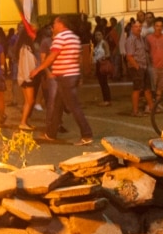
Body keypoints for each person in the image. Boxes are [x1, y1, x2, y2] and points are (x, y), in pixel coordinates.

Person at [30, 14, 93, 146]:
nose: (53, 27)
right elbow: (78, 59)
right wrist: (79, 76)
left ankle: (86, 134)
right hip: (70, 75)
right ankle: (51, 133)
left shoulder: (60, 38)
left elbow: (52, 56)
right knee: (58, 105)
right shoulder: (75, 38)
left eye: (54, 24)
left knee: (74, 106)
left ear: (60, 24)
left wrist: (38, 69)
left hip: (65, 76)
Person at [121, 20, 151, 117]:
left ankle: (152, 108)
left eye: (140, 26)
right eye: (136, 27)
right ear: (132, 28)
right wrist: (137, 67)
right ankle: (135, 111)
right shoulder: (131, 40)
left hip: (143, 66)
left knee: (147, 88)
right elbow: (129, 56)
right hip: (136, 67)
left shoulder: (141, 38)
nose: (138, 28)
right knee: (137, 89)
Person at [145, 17, 163, 105]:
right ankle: (150, 104)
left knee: (161, 87)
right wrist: (149, 64)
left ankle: (157, 104)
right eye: (157, 26)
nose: (159, 28)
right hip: (153, 66)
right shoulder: (148, 38)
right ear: (154, 27)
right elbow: (146, 51)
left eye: (161, 26)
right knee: (152, 86)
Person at [16, 34, 41, 129]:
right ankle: (23, 122)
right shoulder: (27, 50)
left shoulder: (23, 49)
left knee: (27, 101)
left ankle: (24, 121)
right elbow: (28, 65)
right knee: (30, 101)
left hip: (24, 77)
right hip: (28, 78)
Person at [92, 31, 113, 107]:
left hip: (102, 63)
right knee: (101, 83)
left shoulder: (104, 43)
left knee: (104, 82)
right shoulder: (97, 44)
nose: (97, 36)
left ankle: (107, 100)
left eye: (99, 35)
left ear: (102, 35)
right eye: (96, 35)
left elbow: (108, 54)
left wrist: (102, 58)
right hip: (98, 64)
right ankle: (105, 99)